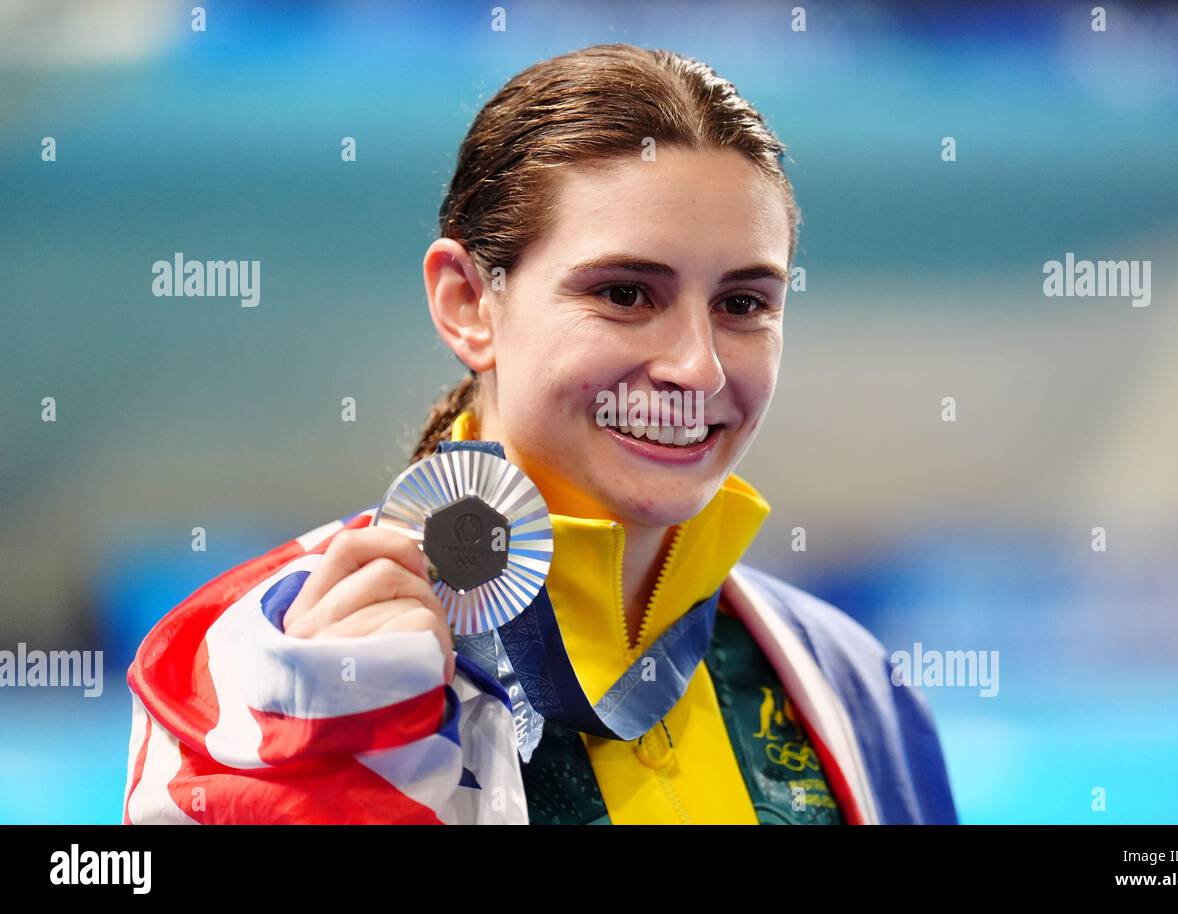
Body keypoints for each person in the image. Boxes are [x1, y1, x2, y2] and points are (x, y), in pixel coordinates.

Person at [122, 43, 958, 825]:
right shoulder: (271, 658)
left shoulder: (852, 688)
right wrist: (326, 778)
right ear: (466, 302)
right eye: (626, 294)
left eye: (743, 304)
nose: (697, 369)